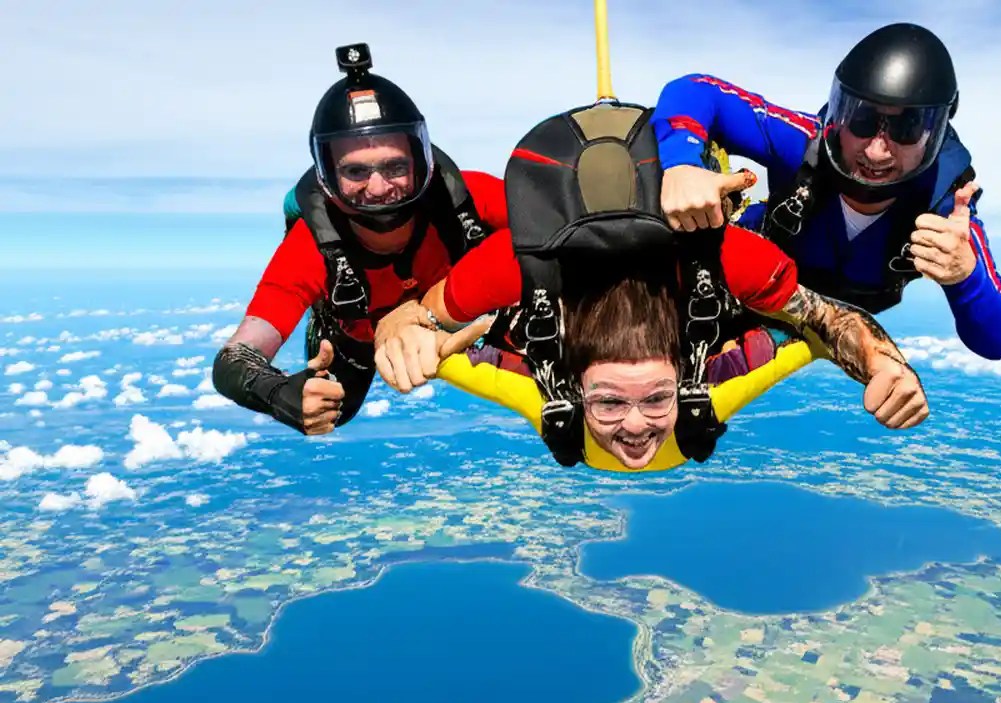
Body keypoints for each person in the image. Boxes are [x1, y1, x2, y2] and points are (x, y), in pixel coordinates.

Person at [372, 99, 929, 472]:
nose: (636, 428)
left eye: (657, 399)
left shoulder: (732, 260)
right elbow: (420, 318)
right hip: (537, 294)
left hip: (698, 265)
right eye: (610, 402)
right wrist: (405, 334)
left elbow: (828, 320)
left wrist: (887, 366)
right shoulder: (509, 266)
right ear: (567, 380)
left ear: (689, 371)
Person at [653, 22, 1001, 360]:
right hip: (756, 282)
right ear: (840, 114)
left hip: (824, 314)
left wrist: (965, 276)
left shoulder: (944, 207)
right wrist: (682, 162)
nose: (877, 150)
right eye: (862, 120)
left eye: (906, 128)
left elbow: (997, 340)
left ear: (934, 134)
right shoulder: (804, 144)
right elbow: (696, 90)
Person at [211, 43, 507, 434]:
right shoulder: (312, 245)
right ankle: (325, 330)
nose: (379, 188)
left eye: (395, 166)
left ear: (420, 161)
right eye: (355, 172)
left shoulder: (465, 198)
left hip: (457, 319)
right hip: (358, 338)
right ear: (326, 175)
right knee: (333, 409)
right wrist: (279, 393)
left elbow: (559, 226)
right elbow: (236, 356)